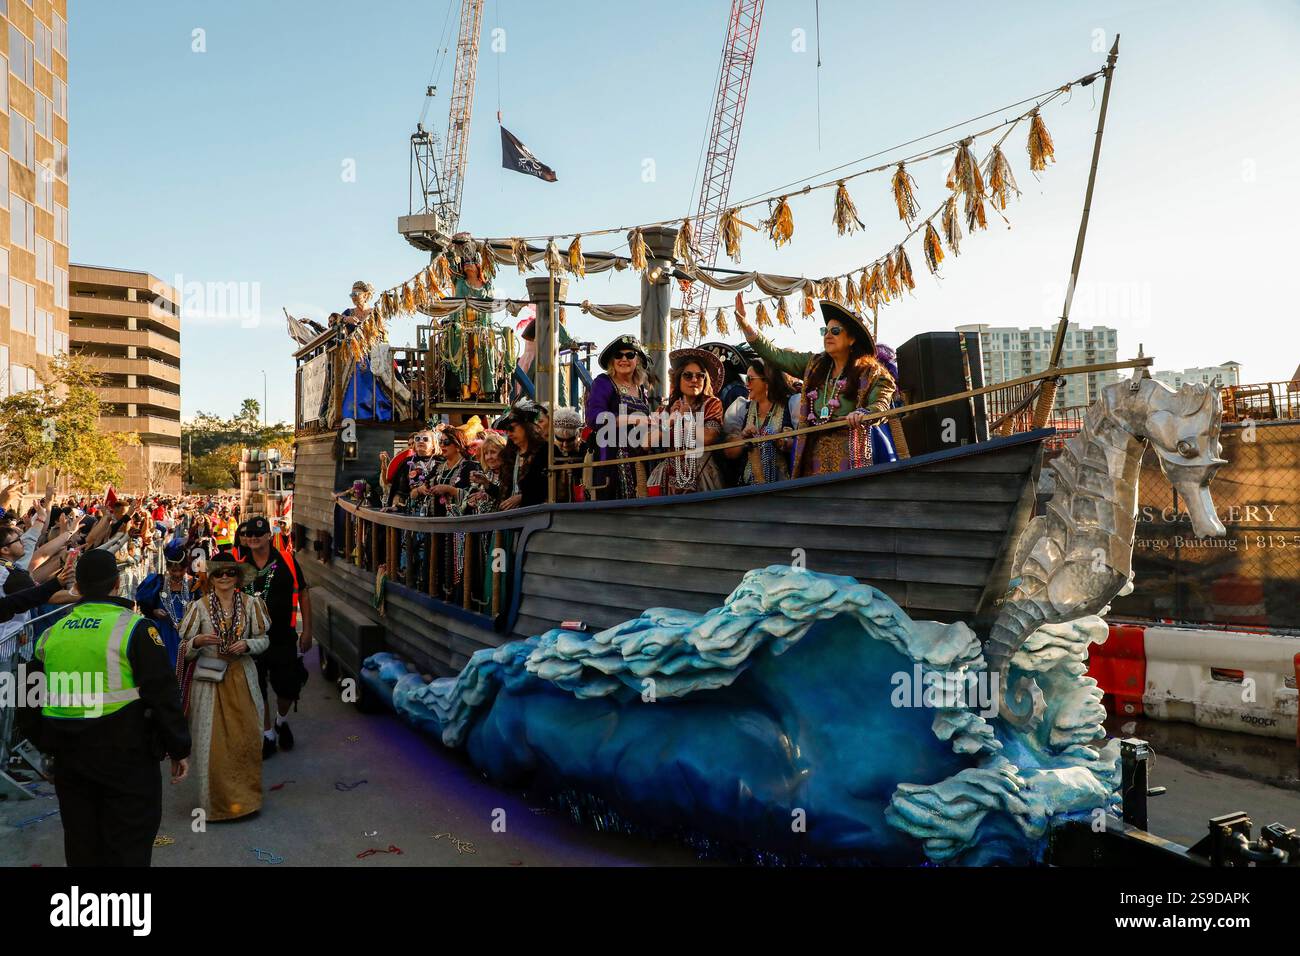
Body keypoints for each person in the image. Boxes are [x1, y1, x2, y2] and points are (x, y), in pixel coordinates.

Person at [23, 550, 191, 867]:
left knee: (83, 844)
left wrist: (46, 748)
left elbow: (27, 699)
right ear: (117, 584)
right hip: (126, 758)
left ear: (78, 588)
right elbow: (163, 693)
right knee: (129, 844)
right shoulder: (135, 629)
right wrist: (179, 747)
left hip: (71, 760)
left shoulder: (51, 634)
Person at [736, 299, 896, 476]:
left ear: (851, 339)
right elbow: (776, 356)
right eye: (824, 331)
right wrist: (746, 326)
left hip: (852, 457)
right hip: (813, 459)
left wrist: (863, 414)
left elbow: (881, 405)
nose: (827, 335)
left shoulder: (872, 372)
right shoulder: (814, 365)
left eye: (835, 331)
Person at [176, 552, 269, 821]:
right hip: (209, 682)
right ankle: (216, 806)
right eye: (219, 573)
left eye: (229, 572)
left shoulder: (252, 605)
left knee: (247, 739)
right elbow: (184, 648)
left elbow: (264, 640)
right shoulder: (199, 607)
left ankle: (246, 802)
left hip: (243, 678)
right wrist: (198, 642)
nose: (224, 578)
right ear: (211, 578)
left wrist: (248, 644)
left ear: (237, 577)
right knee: (211, 745)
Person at [237, 515, 311, 759]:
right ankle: (267, 735)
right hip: (252, 639)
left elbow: (303, 593)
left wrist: (307, 630)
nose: (254, 539)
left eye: (259, 534)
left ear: (269, 536)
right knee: (257, 689)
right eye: (249, 535)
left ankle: (282, 720)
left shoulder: (287, 561)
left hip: (283, 637)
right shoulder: (240, 566)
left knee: (288, 688)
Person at [583, 334, 657, 500]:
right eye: (619, 355)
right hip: (611, 460)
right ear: (612, 360)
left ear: (637, 360)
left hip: (640, 460)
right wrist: (633, 419)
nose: (624, 359)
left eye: (630, 355)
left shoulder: (641, 390)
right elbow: (594, 417)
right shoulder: (603, 382)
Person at [649, 349, 726, 495]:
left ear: (705, 380)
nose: (694, 380)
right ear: (678, 379)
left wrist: (687, 419)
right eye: (688, 375)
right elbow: (646, 443)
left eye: (700, 376)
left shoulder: (712, 404)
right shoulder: (664, 409)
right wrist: (670, 421)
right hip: (666, 476)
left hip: (701, 475)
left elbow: (709, 437)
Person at [724, 357, 797, 485]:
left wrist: (778, 441)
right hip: (748, 488)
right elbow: (729, 453)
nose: (746, 384)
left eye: (750, 379)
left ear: (767, 380)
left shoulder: (791, 405)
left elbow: (802, 444)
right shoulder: (742, 409)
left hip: (783, 488)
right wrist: (743, 438)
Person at [135, 542, 197, 668]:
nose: (177, 574)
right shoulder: (157, 582)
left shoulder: (196, 584)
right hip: (164, 635)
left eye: (181, 570)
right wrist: (154, 611)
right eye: (173, 570)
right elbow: (144, 605)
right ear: (167, 568)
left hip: (189, 636)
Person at [499, 400, 549, 509]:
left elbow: (549, 488)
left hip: (536, 515)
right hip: (510, 518)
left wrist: (523, 497)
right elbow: (506, 493)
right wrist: (487, 485)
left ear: (526, 426)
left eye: (512, 428)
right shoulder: (510, 454)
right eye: (507, 430)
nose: (509, 433)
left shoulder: (545, 451)